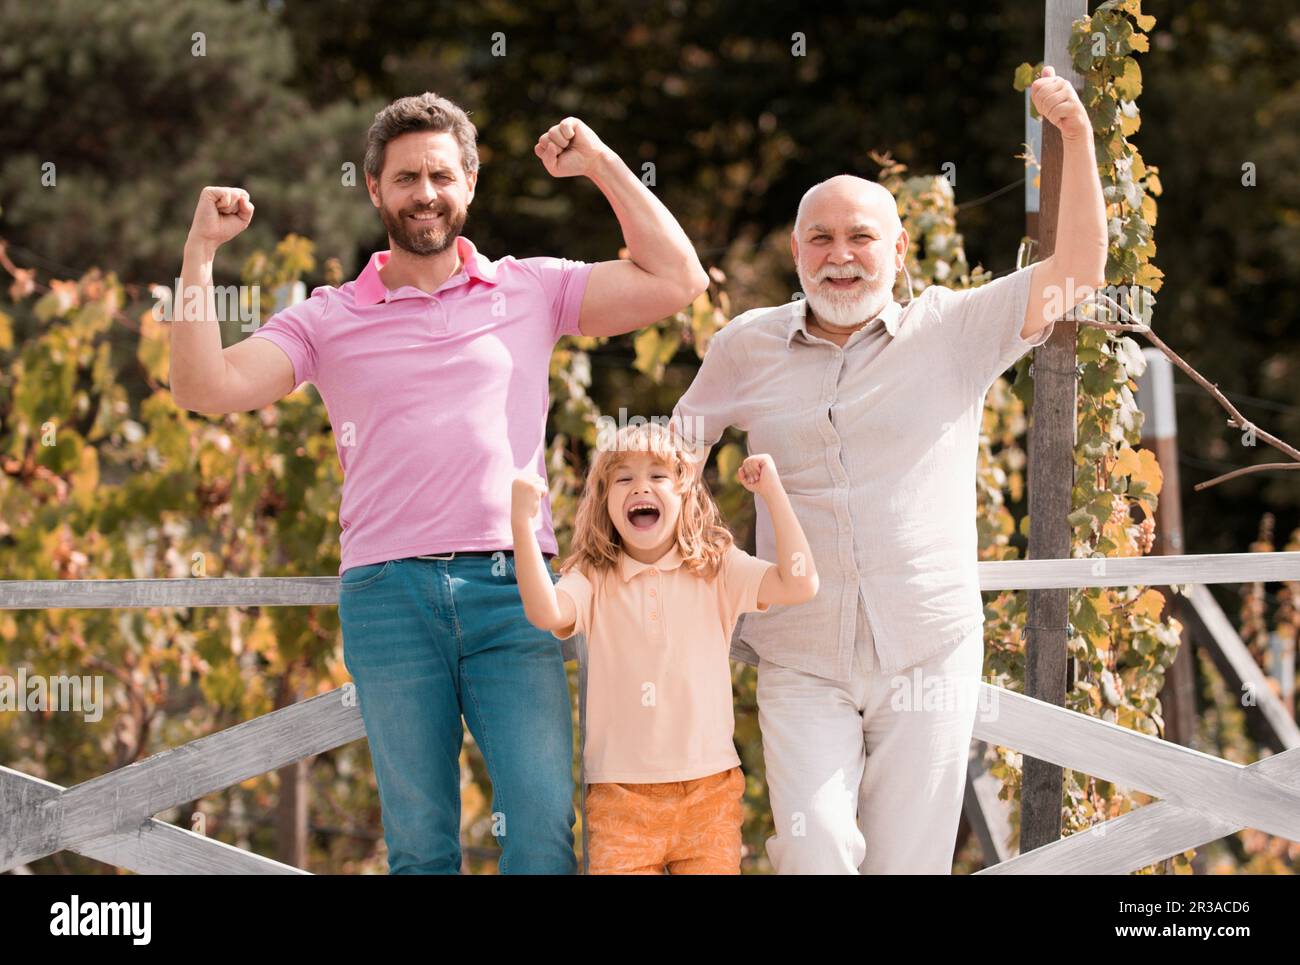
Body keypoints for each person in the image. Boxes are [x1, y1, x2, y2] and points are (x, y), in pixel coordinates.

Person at [168, 92, 709, 873]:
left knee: (543, 828)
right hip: (388, 598)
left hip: (514, 589)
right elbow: (203, 387)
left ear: (470, 184)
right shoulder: (327, 319)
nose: (425, 192)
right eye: (407, 177)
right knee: (421, 849)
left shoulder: (532, 288)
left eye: (441, 175)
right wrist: (200, 253)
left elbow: (676, 278)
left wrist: (600, 165)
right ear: (374, 188)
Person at [668, 65, 1107, 873]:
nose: (841, 257)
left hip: (928, 648)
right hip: (798, 652)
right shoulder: (745, 345)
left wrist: (1074, 138)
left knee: (908, 866)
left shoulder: (954, 327)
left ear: (898, 249)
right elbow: (668, 465)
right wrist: (696, 570)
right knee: (814, 850)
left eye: (861, 237)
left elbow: (1077, 270)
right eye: (821, 239)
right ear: (796, 250)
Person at [510, 421, 817, 873]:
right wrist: (521, 524)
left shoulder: (716, 567)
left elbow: (800, 581)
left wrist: (772, 493)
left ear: (685, 493)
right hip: (619, 800)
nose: (641, 487)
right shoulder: (594, 575)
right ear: (604, 499)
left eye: (658, 476)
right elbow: (546, 612)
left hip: (709, 792)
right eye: (624, 478)